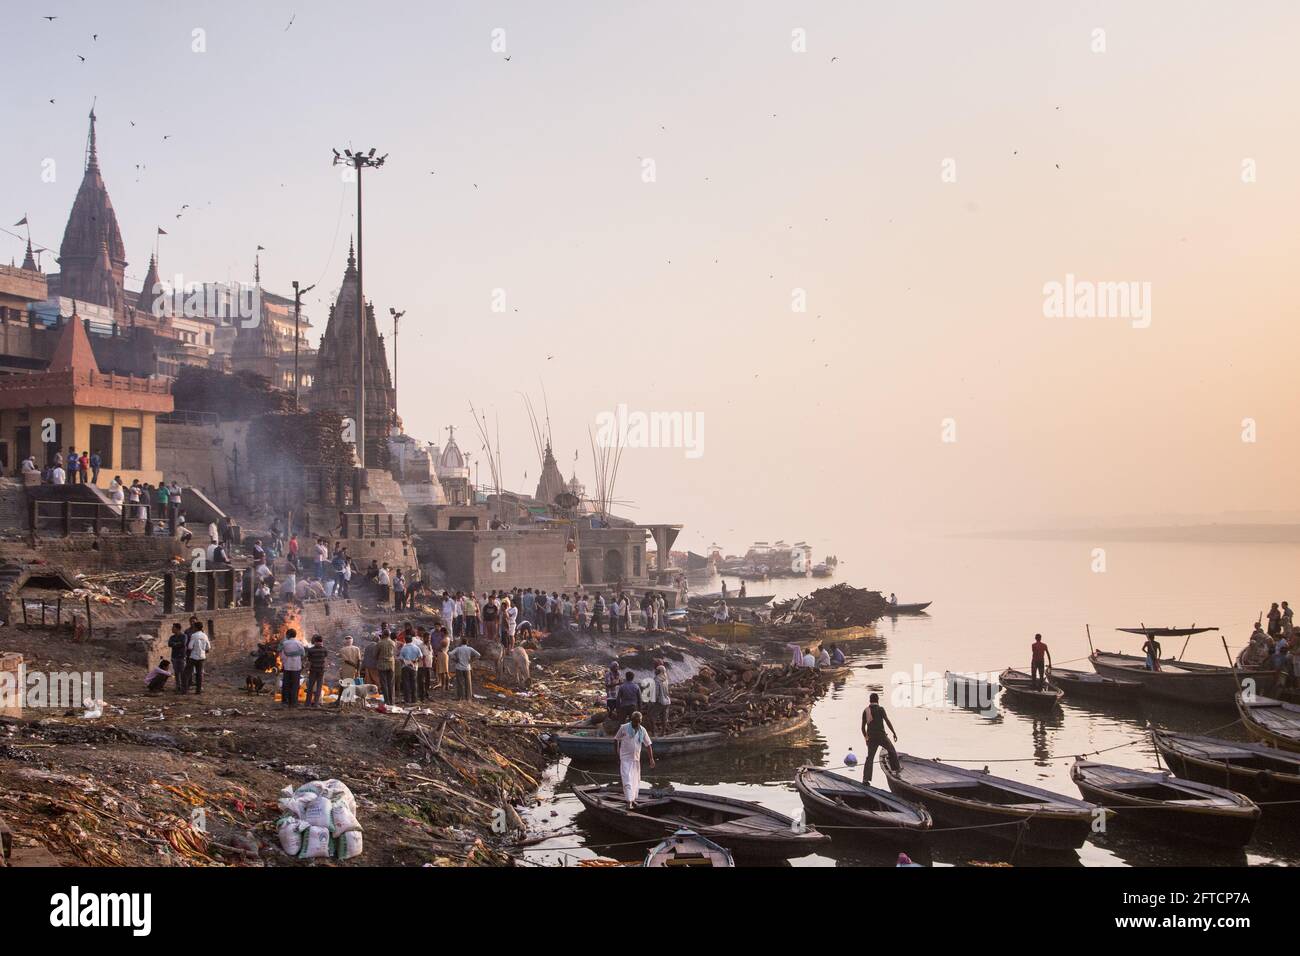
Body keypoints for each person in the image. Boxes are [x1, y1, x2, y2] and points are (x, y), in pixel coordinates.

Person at [614, 711, 655, 808]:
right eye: (636, 721)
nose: (637, 723)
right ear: (631, 720)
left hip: (636, 759)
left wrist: (651, 759)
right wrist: (617, 754)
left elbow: (648, 745)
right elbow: (616, 739)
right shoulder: (624, 727)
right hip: (625, 758)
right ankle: (629, 801)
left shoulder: (642, 730)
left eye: (639, 721)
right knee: (627, 780)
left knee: (635, 781)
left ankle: (633, 799)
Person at [861, 692, 899, 785]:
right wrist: (893, 732)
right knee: (892, 751)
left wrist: (866, 738)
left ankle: (865, 780)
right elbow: (887, 721)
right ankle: (896, 771)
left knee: (870, 758)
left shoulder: (866, 711)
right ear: (877, 700)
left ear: (870, 701)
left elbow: (862, 728)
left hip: (871, 738)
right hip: (881, 736)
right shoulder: (880, 709)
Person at [280, 628, 305, 707]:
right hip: (296, 667)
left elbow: (281, 654)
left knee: (286, 684)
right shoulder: (299, 643)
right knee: (295, 684)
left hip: (287, 666)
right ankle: (293, 702)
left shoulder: (284, 643)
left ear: (287, 635)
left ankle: (285, 701)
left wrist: (284, 661)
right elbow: (303, 654)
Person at [185, 623, 211, 695]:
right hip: (202, 657)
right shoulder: (205, 635)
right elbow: (208, 647)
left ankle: (184, 689)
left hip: (193, 656)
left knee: (187, 673)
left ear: (196, 628)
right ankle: (198, 690)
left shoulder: (194, 635)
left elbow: (190, 647)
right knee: (199, 674)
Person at [398, 633, 422, 704]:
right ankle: (414, 699)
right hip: (414, 667)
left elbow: (401, 658)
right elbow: (420, 657)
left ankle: (407, 699)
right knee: (414, 683)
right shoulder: (416, 647)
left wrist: (406, 662)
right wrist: (415, 662)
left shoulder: (404, 648)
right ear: (411, 640)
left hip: (405, 667)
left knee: (406, 683)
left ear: (405, 640)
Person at [305, 635, 328, 706]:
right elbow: (325, 657)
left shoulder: (311, 650)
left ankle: (307, 703)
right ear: (321, 642)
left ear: (315, 642)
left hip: (313, 670)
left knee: (310, 687)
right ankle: (316, 703)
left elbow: (309, 659)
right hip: (321, 670)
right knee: (319, 687)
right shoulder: (324, 649)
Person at [375, 629, 397, 704]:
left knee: (384, 684)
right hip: (391, 665)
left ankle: (387, 701)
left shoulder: (380, 643)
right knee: (391, 683)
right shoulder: (393, 643)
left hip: (382, 665)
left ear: (383, 635)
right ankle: (392, 701)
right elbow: (395, 654)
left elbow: (375, 654)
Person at [167, 623, 189, 694]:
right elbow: (169, 644)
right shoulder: (172, 637)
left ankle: (184, 687)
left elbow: (183, 644)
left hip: (181, 656)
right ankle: (178, 686)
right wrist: (177, 644)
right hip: (174, 657)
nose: (172, 629)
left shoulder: (184, 636)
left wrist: (175, 644)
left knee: (182, 673)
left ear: (177, 628)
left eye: (173, 628)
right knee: (176, 673)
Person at [435, 626, 452, 694]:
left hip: (442, 654)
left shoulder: (445, 639)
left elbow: (439, 647)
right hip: (443, 654)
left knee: (443, 671)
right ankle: (446, 685)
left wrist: (437, 647)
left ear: (443, 632)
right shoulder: (447, 638)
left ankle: (444, 685)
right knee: (445, 671)